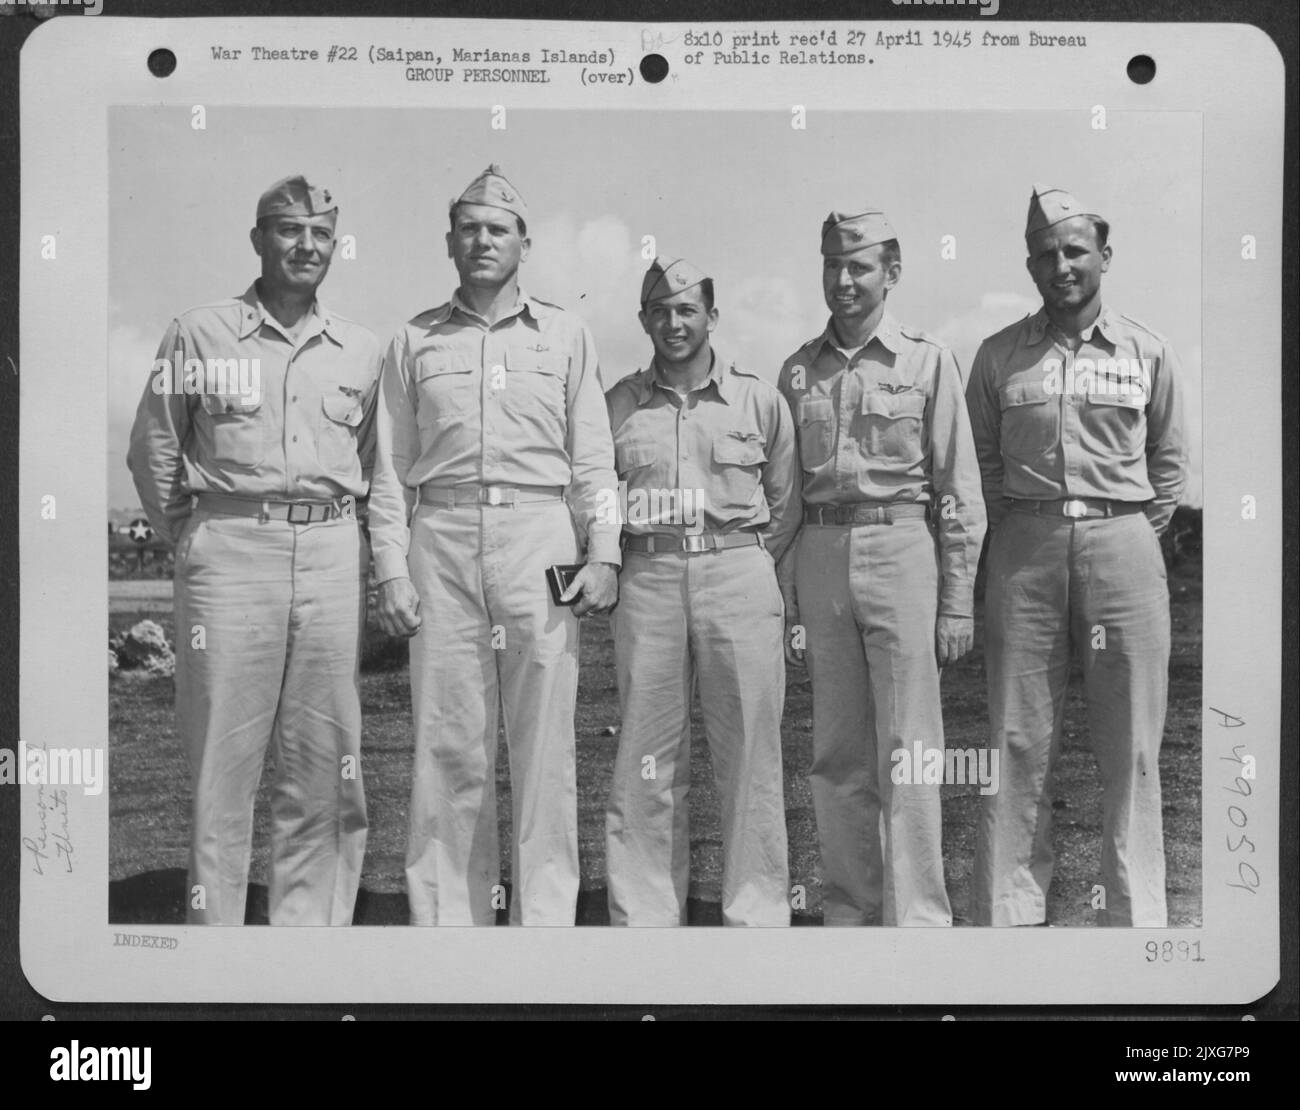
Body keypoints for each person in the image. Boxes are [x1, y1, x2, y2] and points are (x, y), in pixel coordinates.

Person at [368, 165, 620, 926]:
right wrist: (388, 568)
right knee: (447, 747)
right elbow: (387, 471)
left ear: (525, 244)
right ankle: (451, 932)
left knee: (545, 749)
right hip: (439, 540)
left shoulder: (566, 336)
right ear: (450, 242)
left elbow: (594, 458)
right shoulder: (412, 340)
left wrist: (604, 549)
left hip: (539, 539)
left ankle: (544, 929)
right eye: (469, 228)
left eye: (498, 229)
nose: (483, 240)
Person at [127, 175, 379, 925]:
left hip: (333, 547)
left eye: (320, 234)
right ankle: (217, 953)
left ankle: (309, 952)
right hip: (231, 551)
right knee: (223, 765)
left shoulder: (360, 349)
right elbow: (155, 450)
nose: (306, 246)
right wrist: (200, 537)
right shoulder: (199, 331)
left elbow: (371, 460)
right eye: (288, 230)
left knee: (326, 761)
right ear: (258, 239)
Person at [966, 184, 1186, 927]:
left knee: (1131, 746)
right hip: (1024, 551)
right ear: (1030, 266)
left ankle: (1136, 921)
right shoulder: (999, 357)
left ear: (1104, 256)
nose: (1060, 265)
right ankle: (1011, 918)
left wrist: (1115, 531)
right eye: (1044, 254)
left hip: (1124, 547)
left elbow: (1169, 466)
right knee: (1017, 739)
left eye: (1074, 250)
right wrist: (1030, 529)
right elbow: (984, 467)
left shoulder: (1147, 350)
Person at [777, 208, 986, 926]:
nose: (843, 279)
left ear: (890, 273)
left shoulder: (928, 362)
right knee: (835, 751)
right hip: (821, 556)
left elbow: (959, 492)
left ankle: (919, 918)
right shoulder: (797, 369)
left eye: (859, 266)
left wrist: (957, 600)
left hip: (902, 550)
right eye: (832, 264)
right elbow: (783, 499)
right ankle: (849, 912)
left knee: (911, 748)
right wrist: (785, 603)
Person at [604, 258, 800, 926]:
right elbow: (599, 497)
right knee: (647, 757)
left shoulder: (757, 400)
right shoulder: (620, 404)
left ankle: (757, 918)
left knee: (750, 752)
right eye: (659, 311)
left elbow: (785, 501)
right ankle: (646, 922)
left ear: (712, 317)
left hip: (737, 571)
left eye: (687, 310)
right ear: (643, 321)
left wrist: (739, 564)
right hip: (650, 574)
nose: (673, 323)